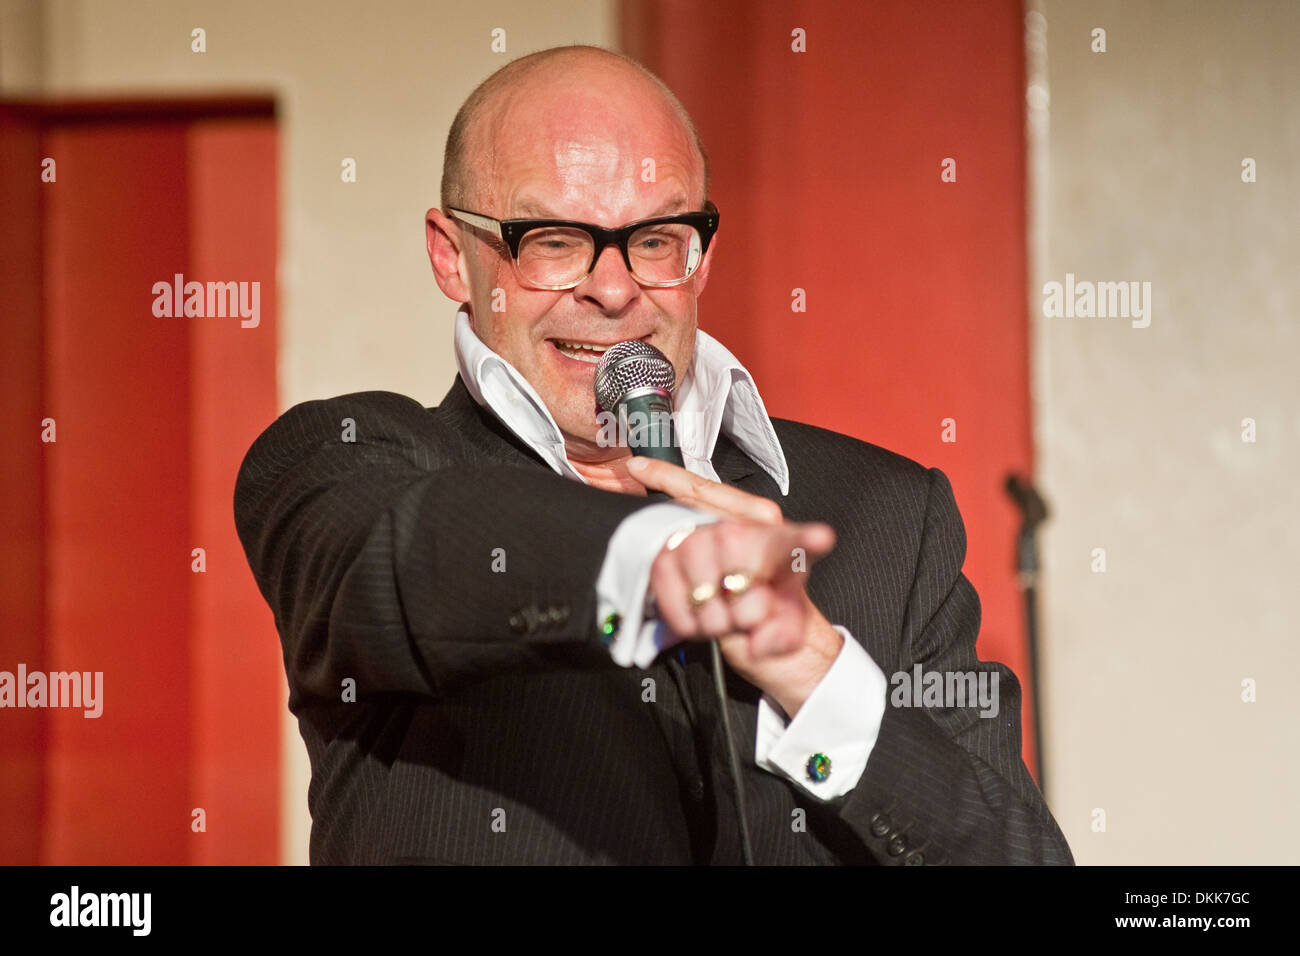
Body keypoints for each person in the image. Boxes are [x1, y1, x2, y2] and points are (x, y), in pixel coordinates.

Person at [234, 45, 1073, 865]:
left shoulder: (889, 516)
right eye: (554, 240)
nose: (613, 288)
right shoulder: (352, 461)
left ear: (701, 253)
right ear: (453, 256)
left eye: (657, 238)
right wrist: (654, 553)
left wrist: (817, 674)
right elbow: (407, 552)